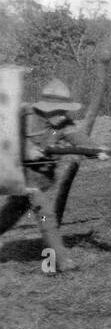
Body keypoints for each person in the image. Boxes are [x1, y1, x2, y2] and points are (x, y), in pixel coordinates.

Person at [0, 79, 86, 254]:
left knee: (12, 213)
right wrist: (26, 149)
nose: (62, 115)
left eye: (65, 111)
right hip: (10, 172)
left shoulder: (64, 124)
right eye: (58, 111)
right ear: (47, 108)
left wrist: (100, 150)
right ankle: (61, 259)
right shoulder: (25, 115)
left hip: (33, 180)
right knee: (45, 212)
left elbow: (81, 141)